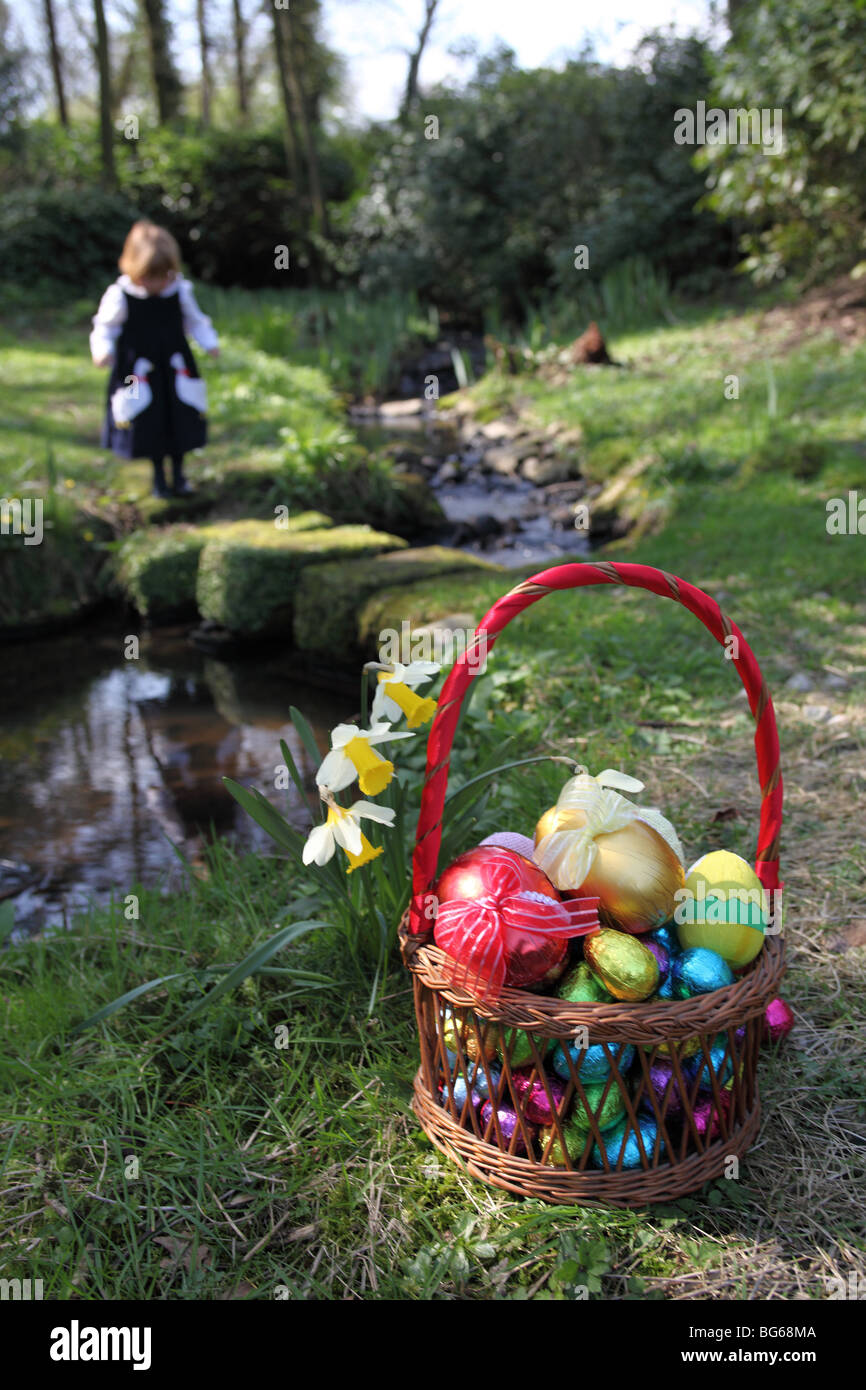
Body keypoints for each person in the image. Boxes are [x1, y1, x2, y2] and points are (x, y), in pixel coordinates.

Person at [90, 221, 220, 498]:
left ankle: (180, 476)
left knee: (179, 417)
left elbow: (196, 322)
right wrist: (102, 350)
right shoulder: (121, 295)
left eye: (162, 276)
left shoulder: (179, 291)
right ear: (136, 271)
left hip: (174, 365)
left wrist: (210, 344)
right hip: (139, 370)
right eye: (150, 276)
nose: (157, 283)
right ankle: (159, 478)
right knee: (149, 421)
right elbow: (105, 326)